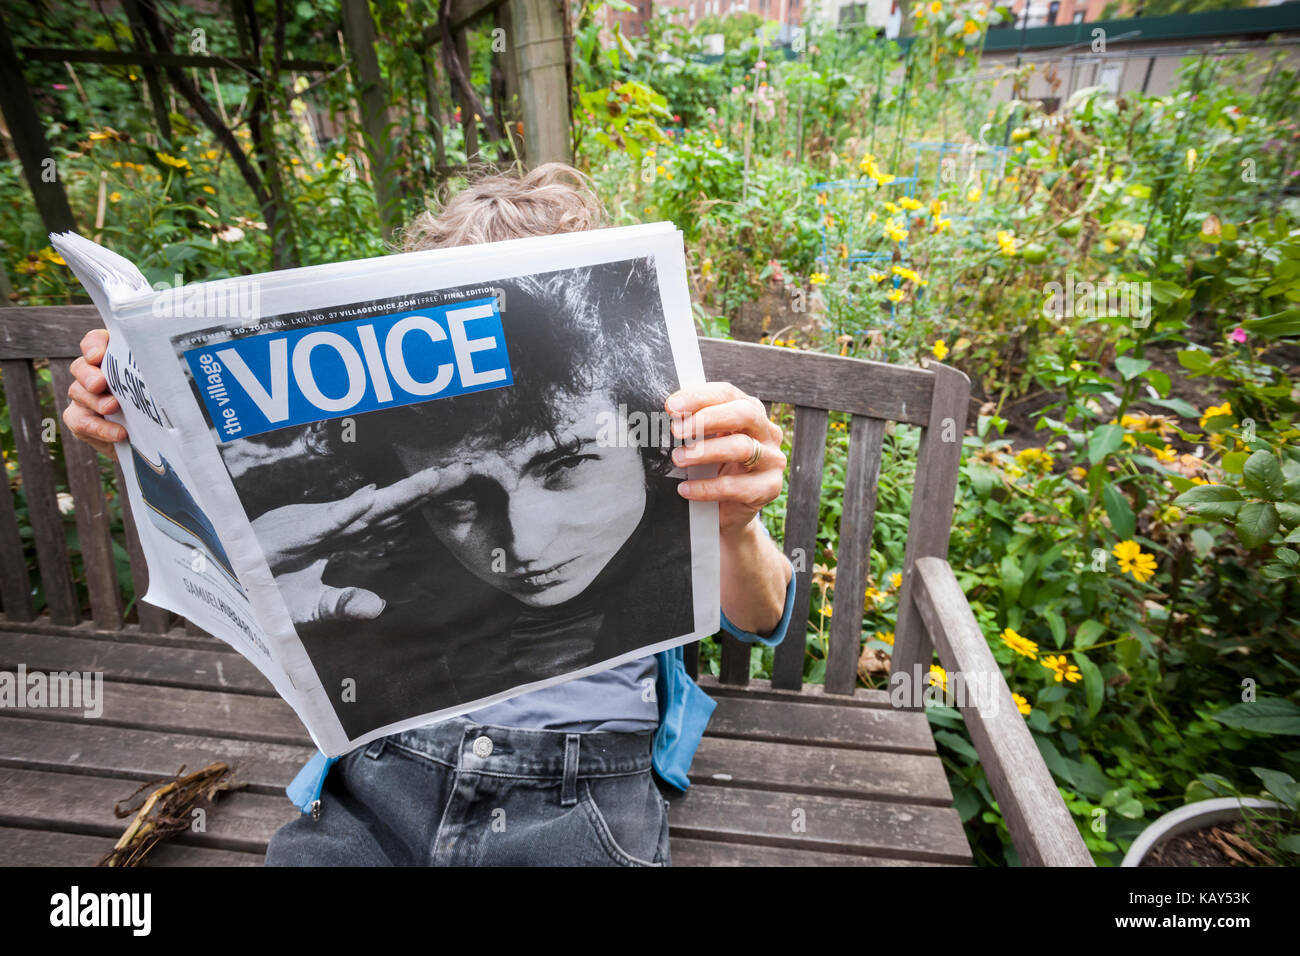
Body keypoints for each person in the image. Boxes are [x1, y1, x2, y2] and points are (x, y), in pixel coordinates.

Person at [62, 163, 796, 866]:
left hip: (580, 788)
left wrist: (736, 522)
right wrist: (136, 403)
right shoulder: (375, 552)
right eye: (457, 495)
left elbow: (762, 618)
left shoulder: (673, 448)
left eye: (566, 465)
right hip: (387, 769)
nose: (524, 544)